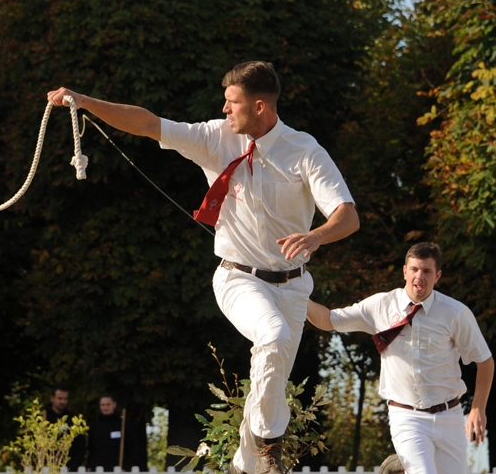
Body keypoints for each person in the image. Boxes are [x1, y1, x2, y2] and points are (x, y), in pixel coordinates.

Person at [46, 61, 359, 474]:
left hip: (294, 286)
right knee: (273, 335)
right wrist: (85, 102)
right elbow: (149, 123)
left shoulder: (304, 150)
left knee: (272, 377)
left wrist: (316, 235)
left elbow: (347, 215)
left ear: (260, 106)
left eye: (233, 102)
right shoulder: (215, 137)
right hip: (237, 277)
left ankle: (244, 465)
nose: (225, 109)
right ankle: (269, 447)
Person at [306, 242, 494, 474]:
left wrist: (478, 408)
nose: (419, 276)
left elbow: (484, 361)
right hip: (406, 416)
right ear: (404, 271)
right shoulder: (380, 306)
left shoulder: (455, 313)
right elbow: (328, 319)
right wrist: (297, 296)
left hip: (449, 416)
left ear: (438, 276)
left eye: (427, 271)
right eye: (414, 269)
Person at [86, 392, 147, 471]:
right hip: (98, 469)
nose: (105, 407)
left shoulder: (123, 425)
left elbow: (132, 449)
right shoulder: (95, 426)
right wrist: (89, 466)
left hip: (119, 469)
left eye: (108, 405)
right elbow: (92, 450)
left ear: (114, 405)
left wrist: (127, 467)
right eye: (103, 405)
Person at [44, 386, 87, 470]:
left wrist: (74, 465)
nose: (63, 402)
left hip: (69, 467)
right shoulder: (43, 418)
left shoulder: (73, 419)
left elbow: (80, 445)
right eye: (60, 398)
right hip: (46, 466)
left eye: (65, 399)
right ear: (52, 398)